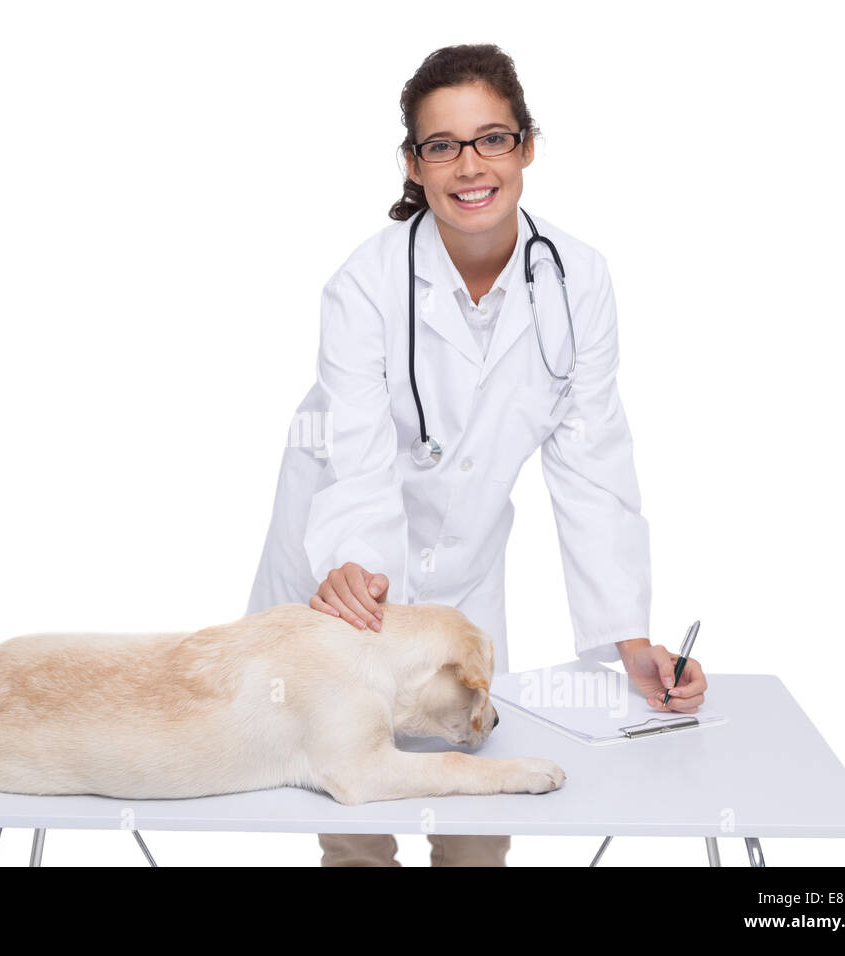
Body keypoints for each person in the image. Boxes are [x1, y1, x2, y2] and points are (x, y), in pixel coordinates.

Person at [246, 43, 707, 867]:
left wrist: (628, 637)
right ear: (413, 164)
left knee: (477, 812)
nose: (470, 166)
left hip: (463, 572)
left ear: (527, 146)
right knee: (352, 806)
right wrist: (357, 568)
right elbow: (354, 451)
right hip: (341, 563)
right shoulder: (364, 285)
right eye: (442, 145)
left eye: (492, 139)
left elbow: (592, 457)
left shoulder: (579, 281)